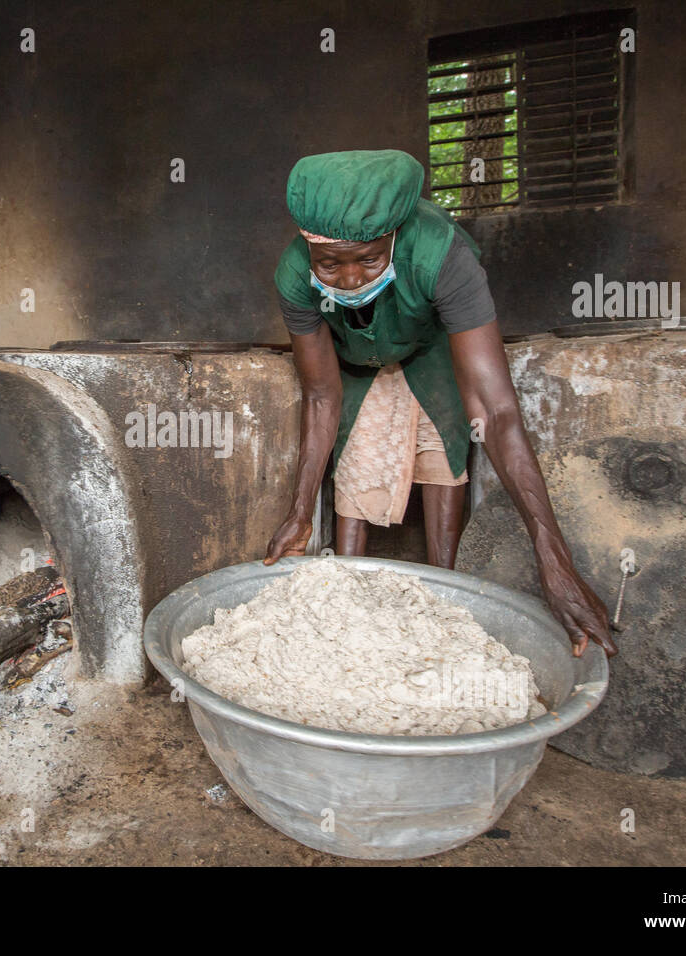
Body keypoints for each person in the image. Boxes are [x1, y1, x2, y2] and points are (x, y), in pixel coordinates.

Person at [263, 149, 617, 658]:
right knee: (358, 446)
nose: (349, 280)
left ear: (394, 236)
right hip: (356, 353)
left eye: (368, 259)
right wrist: (299, 511)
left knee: (443, 446)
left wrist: (552, 557)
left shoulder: (442, 254)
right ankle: (342, 596)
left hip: (428, 347)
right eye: (330, 264)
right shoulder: (295, 274)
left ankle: (443, 595)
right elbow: (321, 395)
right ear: (309, 249)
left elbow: (496, 412)